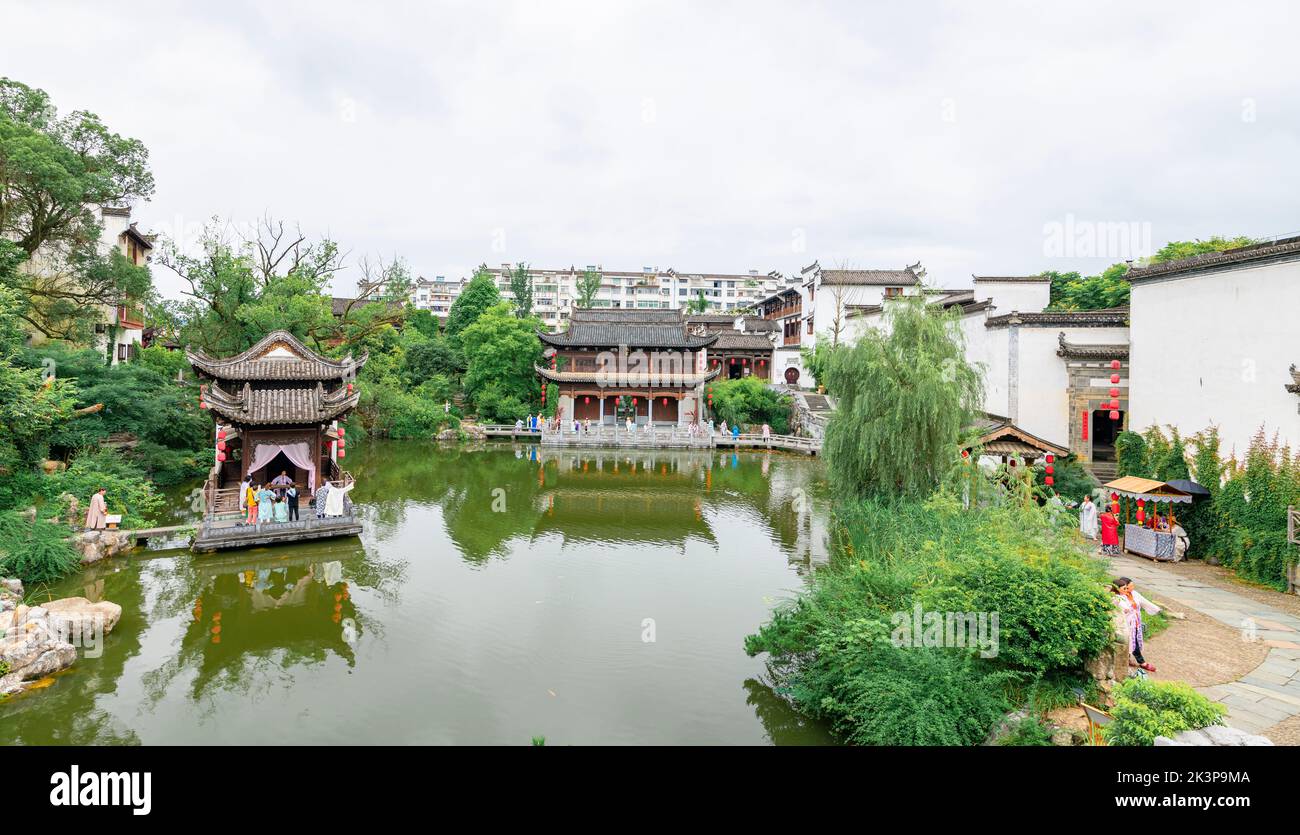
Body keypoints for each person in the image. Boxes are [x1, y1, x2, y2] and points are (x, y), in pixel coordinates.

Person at [1111, 577, 1160, 673]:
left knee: (1134, 641)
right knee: (1133, 642)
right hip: (1127, 623)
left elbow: (1144, 601)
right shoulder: (1119, 597)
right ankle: (1142, 662)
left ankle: (1128, 659)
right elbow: (1122, 609)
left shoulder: (1134, 594)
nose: (1133, 587)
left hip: (1136, 622)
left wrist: (1156, 609)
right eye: (1130, 586)